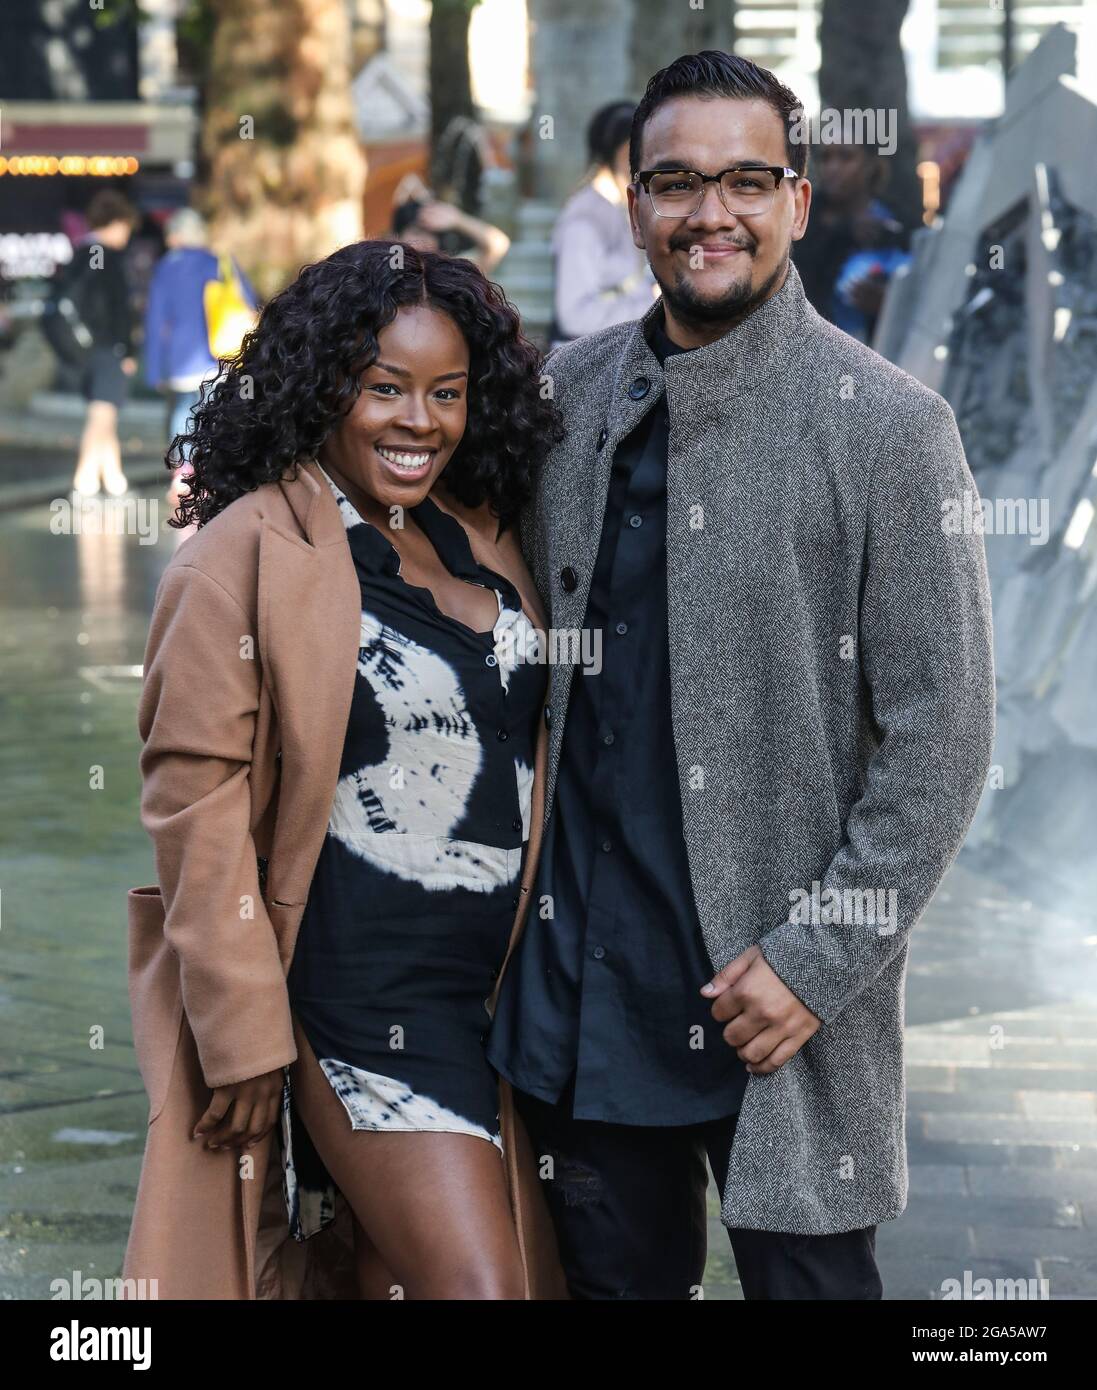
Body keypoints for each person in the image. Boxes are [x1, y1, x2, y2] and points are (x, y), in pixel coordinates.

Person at [486, 50, 996, 1300]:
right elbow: (398, 478)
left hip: (777, 1012)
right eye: (674, 182)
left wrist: (815, 960)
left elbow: (942, 742)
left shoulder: (887, 427)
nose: (708, 212)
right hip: (583, 1000)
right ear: (633, 201)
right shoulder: (564, 395)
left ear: (796, 201)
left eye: (745, 180)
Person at [121, 240, 568, 1300]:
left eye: (446, 393)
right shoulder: (240, 554)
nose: (419, 421)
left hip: (494, 998)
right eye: (385, 388)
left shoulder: (480, 535)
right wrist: (241, 1036)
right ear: (326, 384)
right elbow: (195, 803)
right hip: (357, 999)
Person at [143, 207, 258, 514]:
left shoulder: (166, 268)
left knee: (183, 412)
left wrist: (154, 367)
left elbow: (155, 319)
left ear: (177, 235)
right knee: (213, 412)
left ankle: (184, 477)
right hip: (219, 353)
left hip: (180, 358)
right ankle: (212, 475)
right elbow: (248, 302)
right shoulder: (219, 262)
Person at [549, 101, 657, 347]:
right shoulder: (584, 219)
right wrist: (656, 304)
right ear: (625, 153)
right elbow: (574, 315)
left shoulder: (615, 207)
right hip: (584, 366)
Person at [792, 141, 910, 343]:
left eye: (846, 157)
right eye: (825, 158)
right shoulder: (801, 217)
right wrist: (842, 235)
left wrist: (890, 302)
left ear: (871, 165)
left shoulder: (895, 220)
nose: (833, 168)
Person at [63, 190, 139, 497]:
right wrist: (127, 348)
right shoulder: (103, 256)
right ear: (116, 222)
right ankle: (84, 481)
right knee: (102, 414)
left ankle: (113, 478)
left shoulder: (83, 253)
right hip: (108, 348)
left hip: (88, 348)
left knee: (105, 412)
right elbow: (115, 308)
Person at [391, 173, 511, 274]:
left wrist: (458, 220)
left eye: (433, 235)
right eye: (417, 232)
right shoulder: (388, 270)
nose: (425, 241)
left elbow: (499, 244)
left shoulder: (451, 273)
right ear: (397, 237)